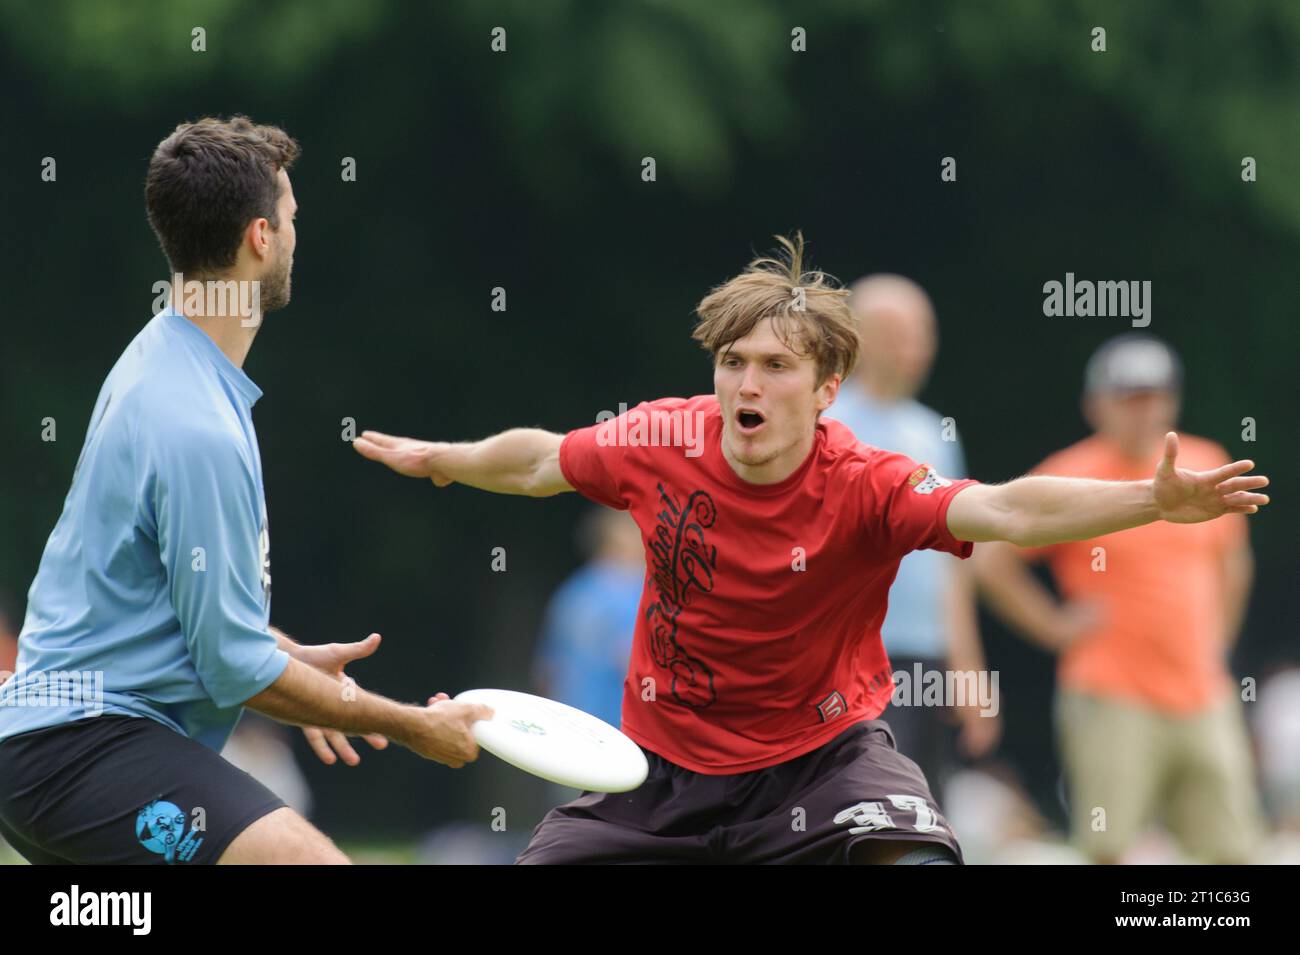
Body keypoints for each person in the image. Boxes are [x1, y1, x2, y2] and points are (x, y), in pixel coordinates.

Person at [354, 236, 1270, 865]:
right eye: (732, 362)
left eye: (776, 366)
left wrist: (1149, 498)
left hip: (825, 759)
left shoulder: (868, 480)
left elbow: (1009, 513)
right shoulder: (659, 438)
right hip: (662, 768)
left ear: (828, 386)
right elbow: (540, 462)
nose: (746, 383)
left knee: (917, 856)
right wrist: (445, 459)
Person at [0, 116, 490, 866]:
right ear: (260, 236)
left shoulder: (166, 352)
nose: (299, 232)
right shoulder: (195, 421)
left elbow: (172, 609)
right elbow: (232, 667)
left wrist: (286, 655)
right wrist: (407, 725)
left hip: (73, 741)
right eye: (292, 216)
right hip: (82, 749)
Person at [975, 334, 1266, 863]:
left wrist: (1215, 641)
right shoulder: (1069, 472)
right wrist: (1053, 627)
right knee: (1108, 847)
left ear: (1172, 401)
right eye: (1128, 396)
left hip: (1203, 689)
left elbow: (1234, 563)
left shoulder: (1207, 464)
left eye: (1154, 395)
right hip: (1110, 688)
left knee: (1231, 850)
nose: (1144, 409)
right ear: (1096, 405)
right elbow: (991, 560)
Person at [827, 274, 998, 807]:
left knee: (922, 805)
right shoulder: (826, 422)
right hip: (847, 655)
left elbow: (954, 563)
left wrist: (968, 671)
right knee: (859, 805)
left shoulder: (933, 432)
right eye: (901, 334)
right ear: (862, 338)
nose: (919, 348)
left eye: (925, 332)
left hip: (926, 659)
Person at [534, 508, 645, 728]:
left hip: (568, 725)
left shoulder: (571, 591)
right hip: (617, 732)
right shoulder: (633, 592)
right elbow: (634, 662)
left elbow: (546, 672)